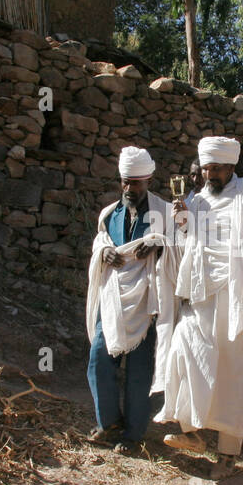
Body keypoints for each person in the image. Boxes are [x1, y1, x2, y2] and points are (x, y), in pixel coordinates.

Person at [154, 136, 243, 477]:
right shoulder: (196, 200)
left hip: (239, 297)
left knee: (233, 375)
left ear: (231, 167)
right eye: (206, 168)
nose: (210, 174)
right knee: (184, 352)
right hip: (201, 294)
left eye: (216, 168)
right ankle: (191, 431)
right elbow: (190, 249)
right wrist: (184, 223)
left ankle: (228, 455)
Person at [85, 146, 174, 454]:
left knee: (140, 372)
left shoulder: (165, 212)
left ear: (148, 180)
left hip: (148, 301)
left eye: (135, 183)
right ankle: (108, 424)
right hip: (113, 299)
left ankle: (133, 435)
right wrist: (103, 252)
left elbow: (181, 247)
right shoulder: (109, 214)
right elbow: (101, 241)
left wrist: (158, 246)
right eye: (125, 182)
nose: (128, 188)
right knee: (99, 359)